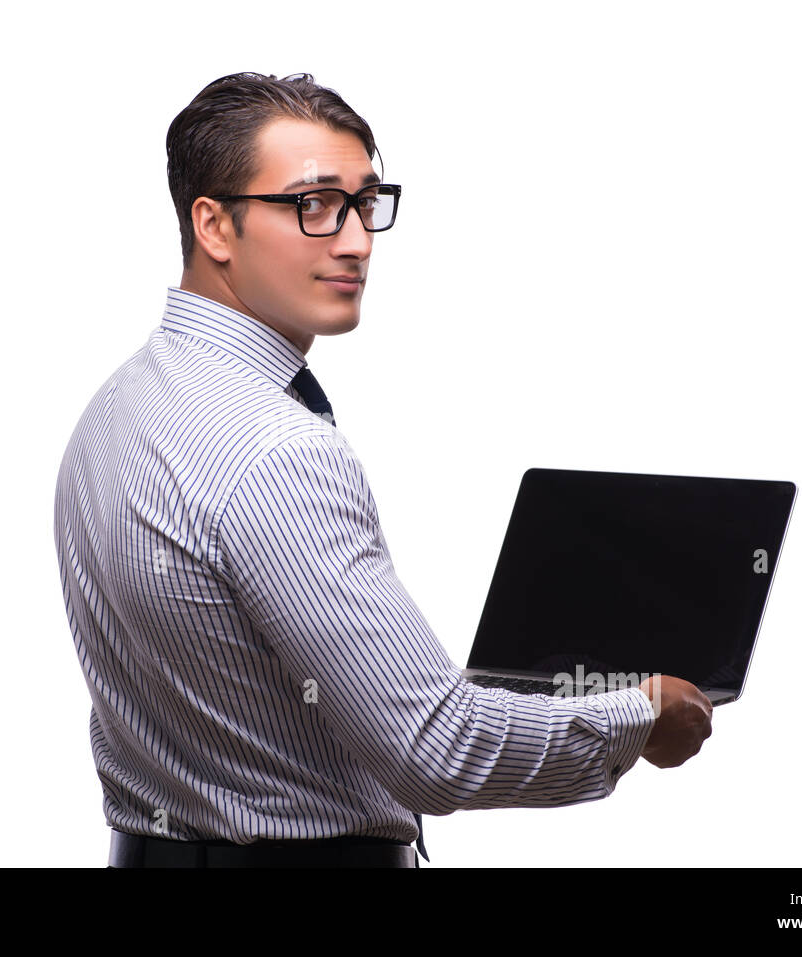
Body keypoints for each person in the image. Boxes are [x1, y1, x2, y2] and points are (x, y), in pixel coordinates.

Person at [52, 72, 713, 868]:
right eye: (314, 204)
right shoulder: (278, 451)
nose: (358, 240)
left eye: (367, 202)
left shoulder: (119, 404)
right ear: (215, 225)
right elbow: (435, 749)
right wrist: (636, 713)